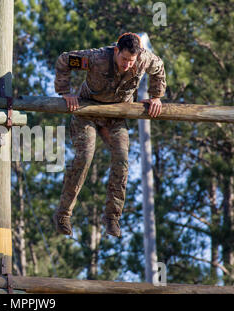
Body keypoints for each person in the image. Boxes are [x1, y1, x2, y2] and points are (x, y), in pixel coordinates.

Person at [53, 33, 166, 238]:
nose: (127, 65)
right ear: (116, 51)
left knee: (122, 160)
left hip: (115, 116)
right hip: (87, 112)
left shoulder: (144, 60)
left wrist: (156, 96)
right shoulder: (95, 58)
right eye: (124, 59)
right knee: (85, 157)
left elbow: (159, 68)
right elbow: (64, 61)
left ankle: (112, 217)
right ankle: (63, 214)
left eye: (131, 61)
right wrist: (65, 92)